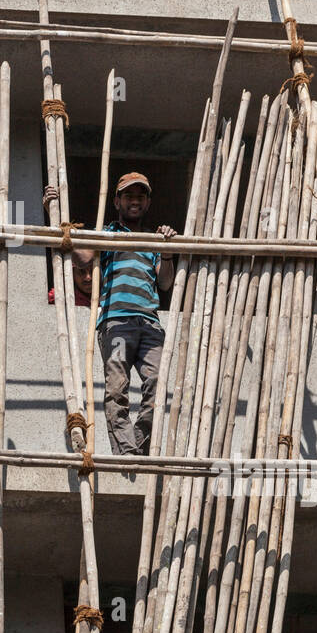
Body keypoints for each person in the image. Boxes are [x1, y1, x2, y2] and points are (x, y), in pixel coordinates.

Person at [93, 172, 177, 458]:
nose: (134, 201)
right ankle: (127, 450)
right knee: (117, 388)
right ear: (117, 201)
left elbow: (164, 283)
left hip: (150, 325)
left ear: (148, 203)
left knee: (157, 384)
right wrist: (63, 223)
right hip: (116, 323)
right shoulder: (107, 234)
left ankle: (136, 445)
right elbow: (80, 258)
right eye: (129, 196)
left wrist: (166, 252)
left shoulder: (154, 240)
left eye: (140, 197)